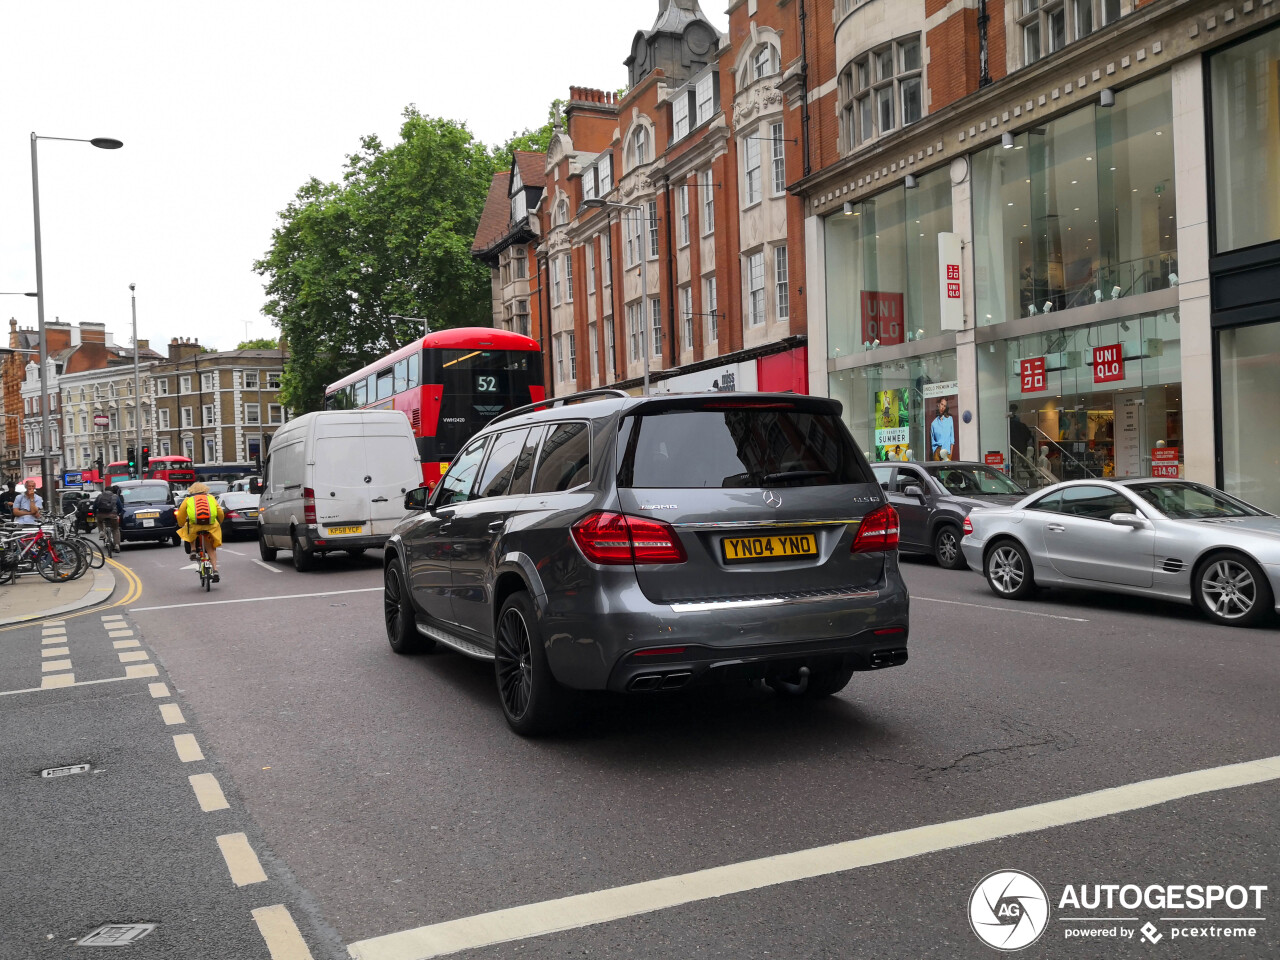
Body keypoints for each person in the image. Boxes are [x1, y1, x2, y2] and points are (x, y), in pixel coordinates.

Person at [174, 481, 225, 581]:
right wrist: (220, 521)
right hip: (210, 526)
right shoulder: (210, 497)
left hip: (195, 526)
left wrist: (181, 524)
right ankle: (215, 570)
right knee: (211, 548)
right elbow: (220, 511)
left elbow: (181, 514)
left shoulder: (188, 499)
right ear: (205, 489)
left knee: (188, 529)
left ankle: (193, 550)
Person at [94, 485, 124, 552]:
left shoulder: (100, 496)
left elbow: (95, 506)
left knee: (99, 521)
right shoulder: (115, 496)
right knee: (115, 529)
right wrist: (118, 513)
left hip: (101, 515)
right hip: (113, 515)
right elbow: (120, 507)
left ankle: (101, 532)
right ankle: (116, 545)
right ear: (112, 491)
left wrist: (95, 513)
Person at [930, 397, 956, 461]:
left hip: (947, 452)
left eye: (944, 406)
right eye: (941, 404)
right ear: (938, 404)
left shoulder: (950, 419)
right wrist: (934, 452)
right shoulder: (934, 423)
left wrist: (950, 455)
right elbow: (932, 441)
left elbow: (952, 439)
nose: (942, 407)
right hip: (937, 452)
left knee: (946, 470)